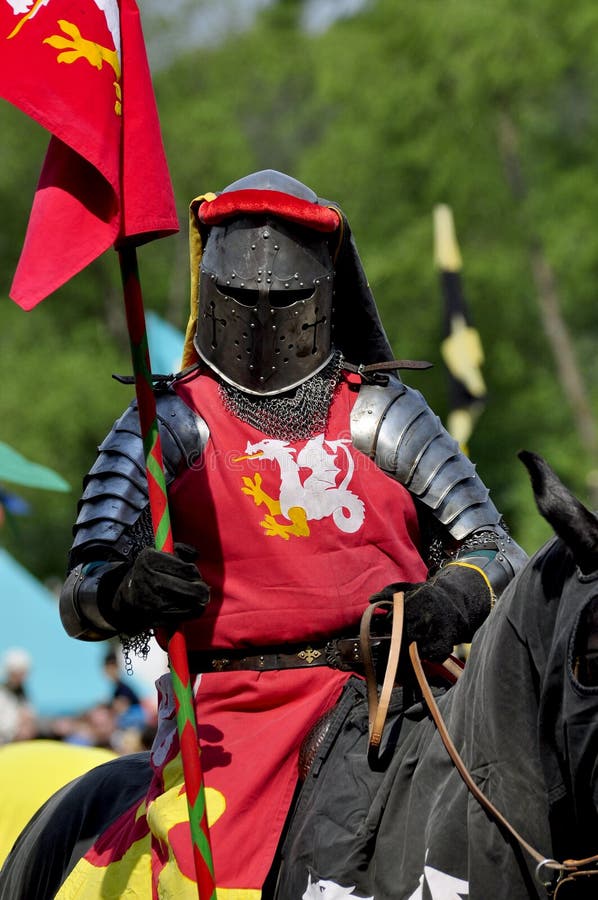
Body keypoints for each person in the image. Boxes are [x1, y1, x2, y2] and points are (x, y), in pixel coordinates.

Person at [57, 170, 528, 898]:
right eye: (243, 300)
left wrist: (451, 601)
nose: (261, 320)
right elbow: (79, 593)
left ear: (324, 297)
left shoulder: (383, 414)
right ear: (211, 292)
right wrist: (126, 589)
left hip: (391, 700)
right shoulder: (168, 424)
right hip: (232, 720)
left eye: (284, 302)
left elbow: (497, 551)